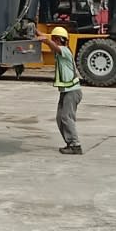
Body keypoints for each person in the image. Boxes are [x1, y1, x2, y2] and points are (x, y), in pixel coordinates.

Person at [33, 26, 84, 154]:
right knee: (60, 118)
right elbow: (52, 46)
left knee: (66, 117)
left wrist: (45, 40)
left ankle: (75, 145)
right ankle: (69, 143)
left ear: (59, 40)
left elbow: (53, 46)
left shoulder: (65, 51)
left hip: (72, 91)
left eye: (54, 39)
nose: (53, 41)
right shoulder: (58, 51)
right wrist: (36, 30)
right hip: (66, 90)